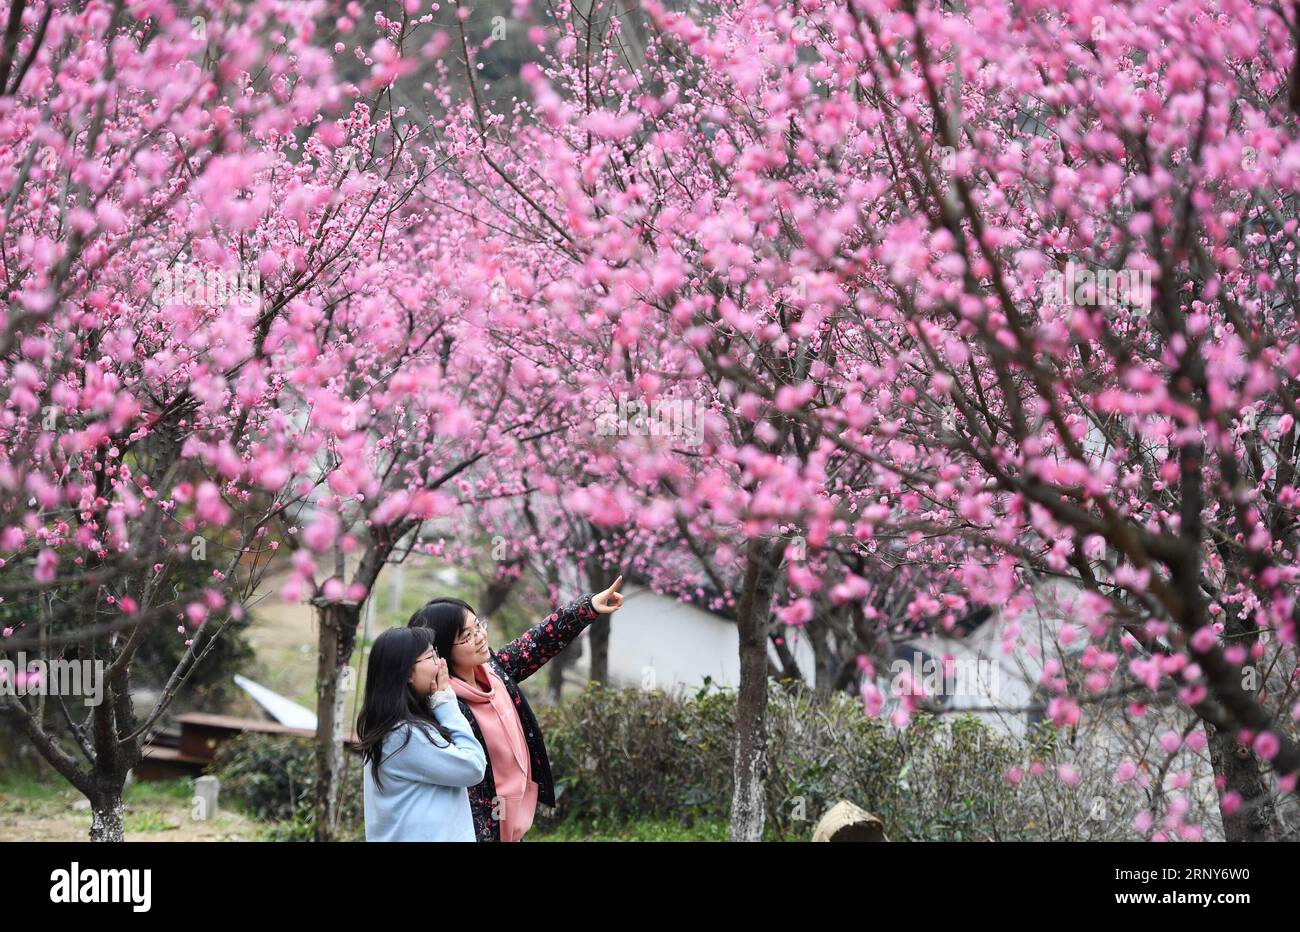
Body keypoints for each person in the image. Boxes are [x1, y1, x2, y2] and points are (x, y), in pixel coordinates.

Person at [407, 575, 625, 841]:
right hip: (480, 830)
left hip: (516, 820)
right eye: (467, 636)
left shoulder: (496, 672)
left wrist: (587, 607)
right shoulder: (443, 708)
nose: (480, 637)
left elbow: (537, 642)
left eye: (479, 627)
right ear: (440, 651)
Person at [357, 626, 486, 841]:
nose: (440, 663)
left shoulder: (395, 730)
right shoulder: (404, 736)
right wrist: (445, 703)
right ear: (407, 672)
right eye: (431, 656)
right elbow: (473, 767)